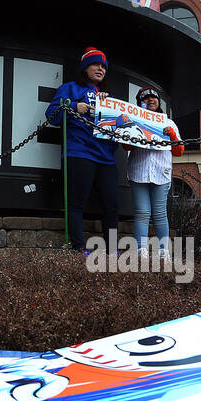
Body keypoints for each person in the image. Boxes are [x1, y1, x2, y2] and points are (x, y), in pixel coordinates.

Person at [45, 47, 125, 253]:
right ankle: (79, 248)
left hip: (106, 157)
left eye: (104, 66)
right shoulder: (69, 88)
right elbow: (51, 115)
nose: (101, 68)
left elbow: (118, 127)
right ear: (85, 67)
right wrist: (73, 106)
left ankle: (112, 249)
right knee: (76, 202)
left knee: (112, 204)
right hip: (78, 152)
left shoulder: (108, 95)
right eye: (96, 64)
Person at [125, 86, 183, 252]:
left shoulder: (168, 123)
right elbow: (125, 147)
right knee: (142, 212)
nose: (150, 100)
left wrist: (171, 135)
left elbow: (179, 151)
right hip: (139, 171)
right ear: (139, 103)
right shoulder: (134, 120)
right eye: (145, 98)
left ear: (159, 101)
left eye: (153, 97)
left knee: (159, 214)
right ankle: (140, 250)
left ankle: (164, 251)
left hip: (161, 172)